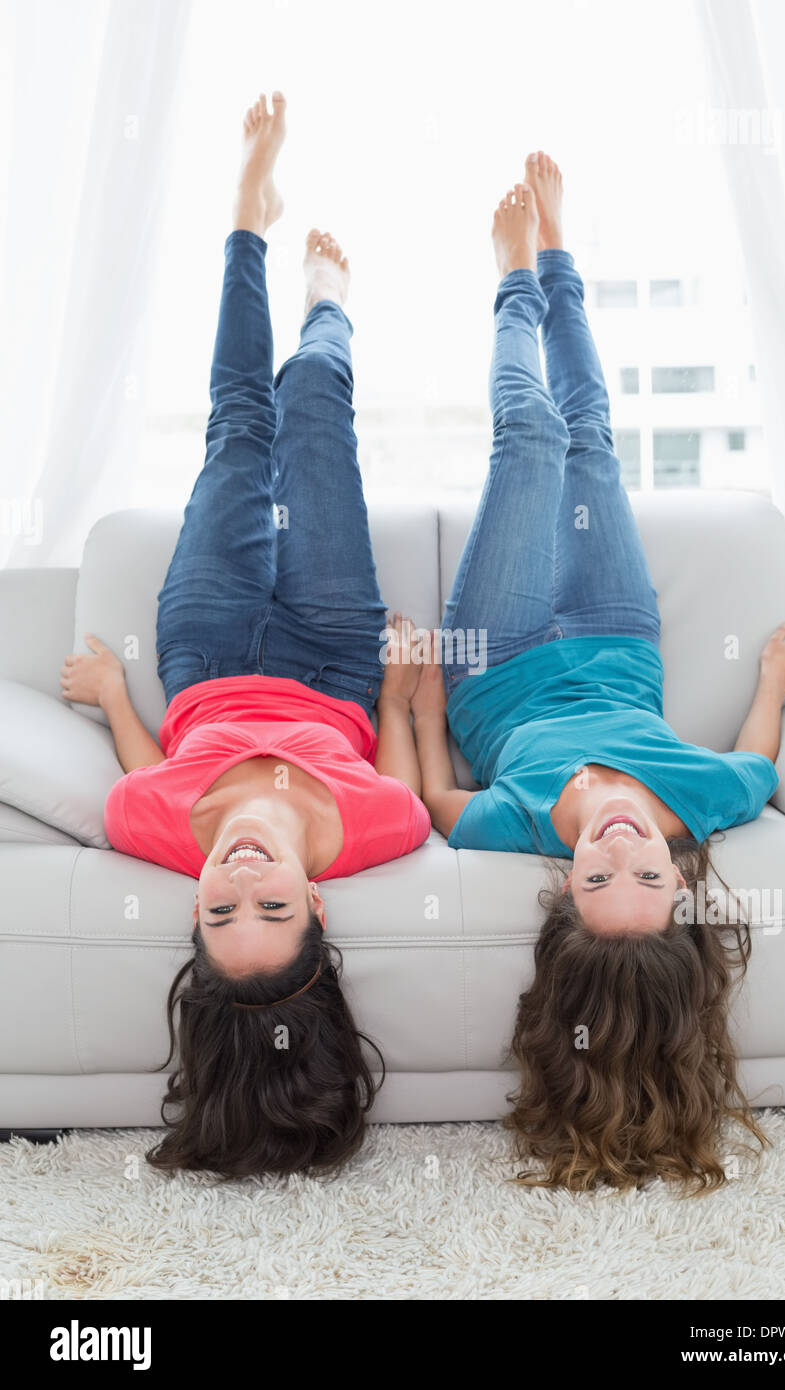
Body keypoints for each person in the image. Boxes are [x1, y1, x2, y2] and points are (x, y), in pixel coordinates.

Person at [409, 150, 785, 1191]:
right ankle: (557, 255)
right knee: (591, 435)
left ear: (564, 891)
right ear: (679, 886)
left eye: (599, 878)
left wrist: (415, 698)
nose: (621, 848)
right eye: (645, 876)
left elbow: (431, 797)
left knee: (533, 437)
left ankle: (509, 273)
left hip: (493, 660)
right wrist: (769, 678)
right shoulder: (702, 801)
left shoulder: (513, 826)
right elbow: (759, 766)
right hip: (614, 629)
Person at [60, 93, 429, 1178]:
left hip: (211, 650)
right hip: (330, 656)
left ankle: (244, 218)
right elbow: (406, 778)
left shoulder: (148, 824)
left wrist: (118, 697)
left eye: (223, 906)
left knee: (239, 417)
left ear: (196, 900)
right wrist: (406, 697)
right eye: (271, 904)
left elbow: (151, 769)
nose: (245, 873)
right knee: (312, 399)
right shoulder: (379, 831)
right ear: (315, 903)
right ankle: (327, 303)